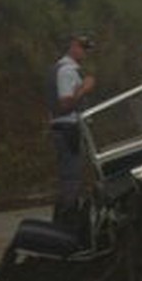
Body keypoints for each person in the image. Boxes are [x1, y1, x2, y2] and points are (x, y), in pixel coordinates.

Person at [48, 33, 96, 218]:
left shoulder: (58, 68)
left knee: (68, 176)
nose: (84, 53)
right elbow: (65, 103)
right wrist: (85, 88)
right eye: (82, 48)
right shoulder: (67, 71)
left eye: (86, 49)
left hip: (62, 128)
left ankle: (64, 216)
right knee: (72, 177)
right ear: (73, 46)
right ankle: (68, 218)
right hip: (69, 129)